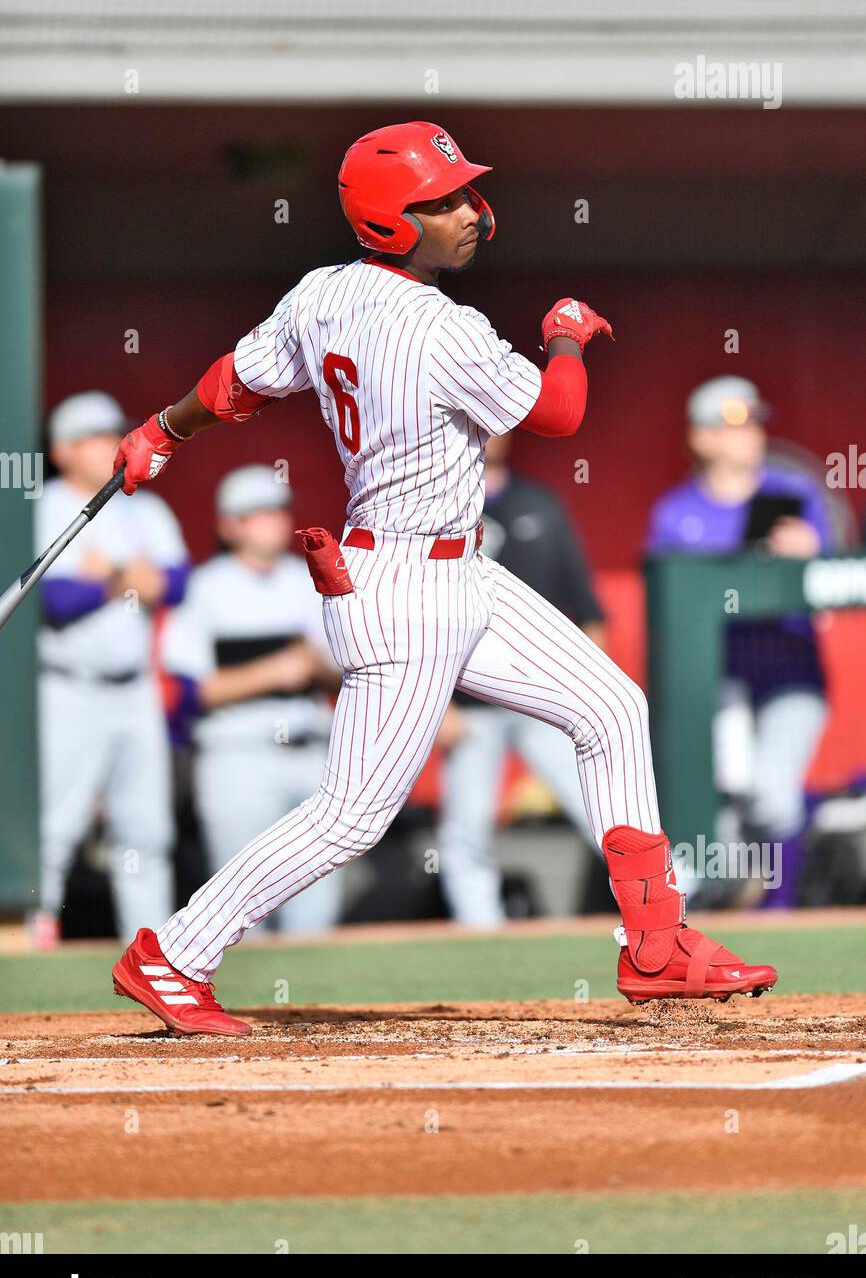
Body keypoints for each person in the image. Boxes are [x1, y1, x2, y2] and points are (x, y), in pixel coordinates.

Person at [109, 121, 777, 1034]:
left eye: (464, 193)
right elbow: (558, 413)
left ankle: (656, 944)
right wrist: (567, 334)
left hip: (459, 570)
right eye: (443, 201)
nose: (469, 211)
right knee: (352, 817)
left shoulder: (320, 294)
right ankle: (176, 953)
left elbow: (237, 383)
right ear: (390, 222)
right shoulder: (440, 327)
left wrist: (162, 429)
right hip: (400, 590)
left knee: (612, 708)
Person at [647, 375, 832, 907]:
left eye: (753, 422)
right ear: (702, 437)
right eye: (732, 424)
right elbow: (668, 603)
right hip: (716, 680)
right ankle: (728, 909)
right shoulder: (677, 512)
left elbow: (837, 580)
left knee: (773, 795)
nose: (747, 434)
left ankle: (783, 907)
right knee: (719, 805)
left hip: (788, 668)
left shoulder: (794, 497)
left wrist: (811, 554)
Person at [33, 392, 189, 948]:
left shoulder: (142, 506)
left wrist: (109, 576)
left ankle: (149, 949)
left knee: (145, 830)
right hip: (68, 687)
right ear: (63, 450)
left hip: (134, 688)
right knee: (54, 826)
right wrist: (123, 578)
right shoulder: (43, 504)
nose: (108, 445)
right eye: (94, 437)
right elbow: (53, 601)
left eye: (111, 434)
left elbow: (175, 583)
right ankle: (34, 940)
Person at [161, 465, 344, 934]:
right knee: (242, 908)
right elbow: (190, 690)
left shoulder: (306, 580)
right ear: (230, 524)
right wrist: (276, 670)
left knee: (316, 913)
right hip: (238, 754)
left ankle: (308, 1008)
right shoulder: (206, 586)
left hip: (309, 750)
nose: (274, 521)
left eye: (278, 511)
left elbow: (343, 669)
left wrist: (312, 666)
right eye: (258, 513)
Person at [436, 430, 605, 924]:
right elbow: (415, 614)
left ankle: (674, 895)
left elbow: (589, 610)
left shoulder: (540, 505)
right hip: (467, 705)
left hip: (539, 695)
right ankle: (483, 936)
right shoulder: (429, 505)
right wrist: (436, 702)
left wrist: (588, 691)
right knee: (465, 827)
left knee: (597, 802)